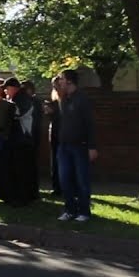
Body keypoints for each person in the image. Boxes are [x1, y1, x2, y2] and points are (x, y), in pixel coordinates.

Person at [57, 70, 96, 222]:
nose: (59, 82)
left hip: (80, 145)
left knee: (82, 180)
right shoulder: (65, 99)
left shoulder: (82, 99)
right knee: (65, 179)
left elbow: (90, 124)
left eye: (61, 79)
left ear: (69, 81)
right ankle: (69, 210)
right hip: (64, 145)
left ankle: (84, 211)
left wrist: (92, 146)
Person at [45, 75, 63, 198]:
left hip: (62, 134)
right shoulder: (55, 100)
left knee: (61, 161)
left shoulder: (65, 101)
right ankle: (56, 187)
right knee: (55, 161)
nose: (55, 88)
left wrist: (52, 113)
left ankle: (61, 187)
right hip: (55, 133)